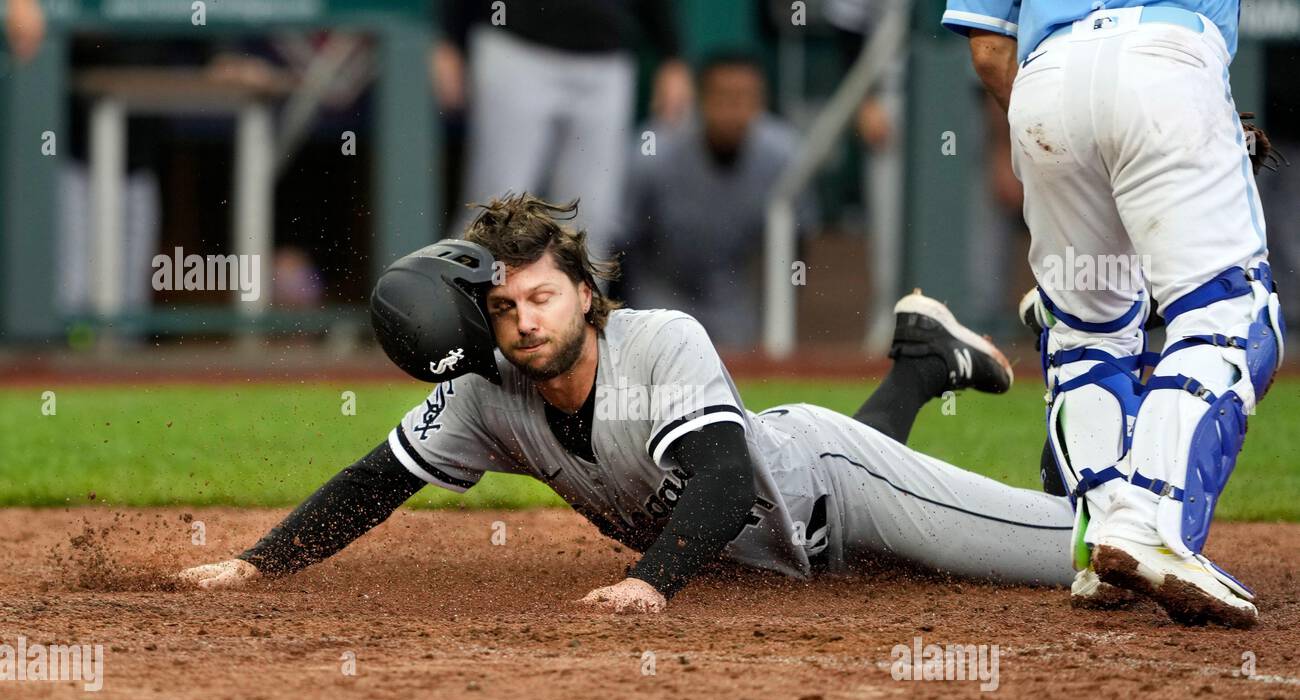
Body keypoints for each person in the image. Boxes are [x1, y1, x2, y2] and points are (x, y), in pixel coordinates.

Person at [177, 193, 1076, 612]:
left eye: (542, 296)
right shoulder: (487, 392)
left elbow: (725, 486)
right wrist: (256, 566)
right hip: (780, 531)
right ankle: (921, 364)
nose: (526, 322)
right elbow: (374, 480)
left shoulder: (660, 339)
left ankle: (1076, 383)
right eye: (504, 308)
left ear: (583, 292)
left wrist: (649, 583)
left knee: (1076, 553)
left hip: (835, 484)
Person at [943, 1, 1284, 627]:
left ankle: (1102, 536)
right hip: (1168, 63)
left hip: (1045, 88)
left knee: (1085, 333)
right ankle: (1147, 529)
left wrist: (1075, 149)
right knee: (1231, 313)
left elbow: (990, 51)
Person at [433, 0, 692, 257]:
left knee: (591, 218)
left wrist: (671, 55)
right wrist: (449, 36)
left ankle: (578, 299)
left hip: (606, 56)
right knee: (496, 204)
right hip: (515, 44)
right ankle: (468, 296)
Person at [620, 51, 815, 349]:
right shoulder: (655, 151)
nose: (733, 109)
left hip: (729, 297)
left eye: (744, 98)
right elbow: (621, 239)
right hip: (658, 290)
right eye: (722, 96)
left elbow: (798, 239)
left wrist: (775, 315)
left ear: (761, 102)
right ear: (700, 101)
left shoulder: (782, 155)